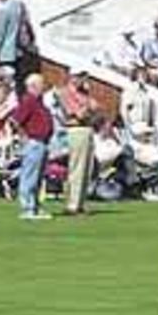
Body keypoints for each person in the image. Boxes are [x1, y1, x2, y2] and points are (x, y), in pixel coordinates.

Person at [10, 73, 53, 220]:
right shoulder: (28, 101)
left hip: (43, 142)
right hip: (34, 142)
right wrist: (24, 136)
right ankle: (27, 208)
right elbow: (15, 120)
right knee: (30, 176)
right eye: (42, 84)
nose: (44, 87)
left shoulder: (39, 102)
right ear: (33, 86)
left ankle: (35, 206)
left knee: (38, 177)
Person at [60, 68, 100, 216]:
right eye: (82, 77)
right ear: (73, 77)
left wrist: (89, 106)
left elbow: (97, 110)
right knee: (77, 168)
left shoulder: (84, 94)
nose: (84, 80)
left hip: (87, 129)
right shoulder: (66, 93)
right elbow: (79, 114)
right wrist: (89, 107)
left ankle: (81, 203)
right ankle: (73, 204)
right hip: (76, 129)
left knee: (87, 169)